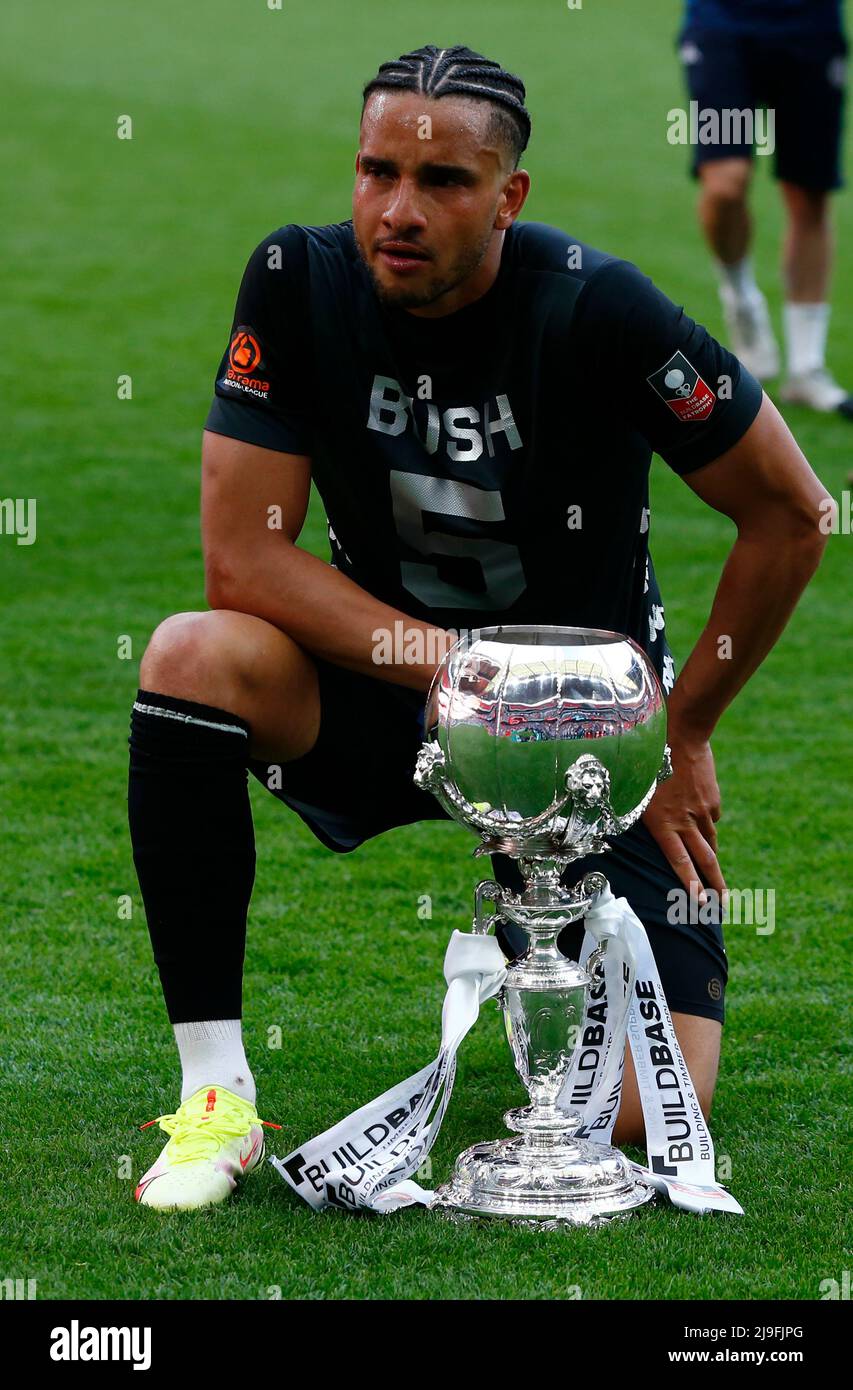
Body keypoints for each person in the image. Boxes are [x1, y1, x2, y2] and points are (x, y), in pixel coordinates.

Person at [128, 44, 830, 1211]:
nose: (397, 209)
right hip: (395, 693)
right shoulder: (295, 281)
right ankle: (217, 1098)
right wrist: (459, 666)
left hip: (585, 742)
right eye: (375, 170)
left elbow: (792, 514)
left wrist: (686, 725)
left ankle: (538, 930)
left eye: (444, 181)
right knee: (191, 654)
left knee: (647, 1117)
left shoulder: (593, 305)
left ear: (508, 197)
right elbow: (242, 555)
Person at [678, 0, 852, 415]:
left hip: (811, 28)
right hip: (724, 26)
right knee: (725, 183)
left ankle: (806, 368)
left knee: (809, 193)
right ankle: (742, 303)